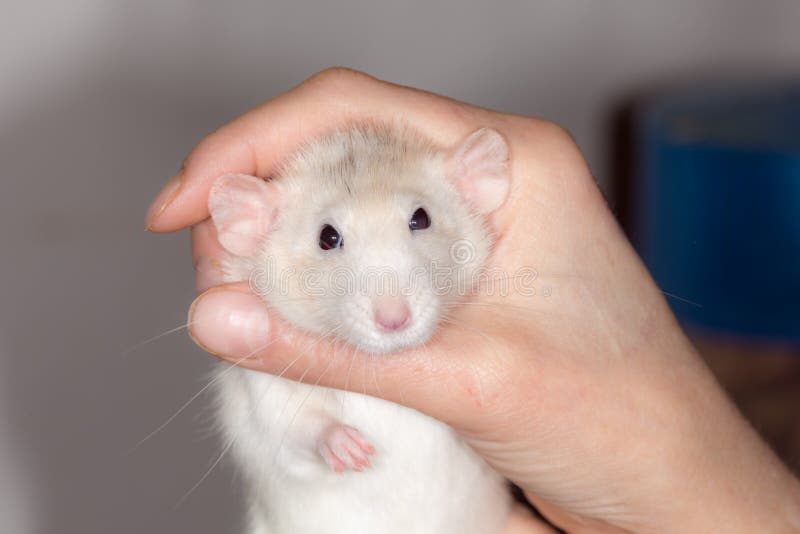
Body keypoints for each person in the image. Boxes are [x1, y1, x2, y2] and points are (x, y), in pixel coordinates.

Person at [145, 68, 800, 533]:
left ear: (472, 187)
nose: (391, 308)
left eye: (420, 220)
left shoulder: (497, 325)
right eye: (329, 237)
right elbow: (270, 434)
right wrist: (319, 435)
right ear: (252, 227)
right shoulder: (277, 350)